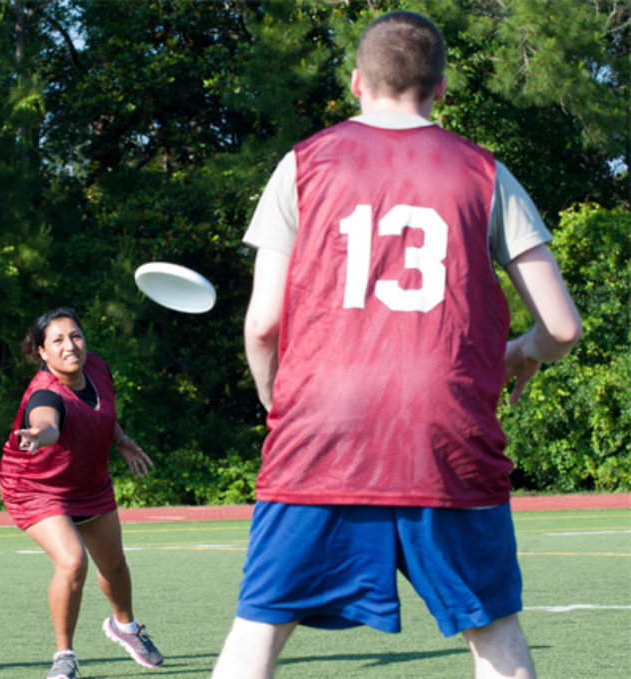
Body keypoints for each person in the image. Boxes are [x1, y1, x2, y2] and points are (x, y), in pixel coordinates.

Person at [212, 11, 581, 679]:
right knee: (495, 636)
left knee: (257, 633)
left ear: (356, 82)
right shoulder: (484, 173)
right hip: (445, 428)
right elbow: (562, 327)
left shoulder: (302, 165)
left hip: (322, 425)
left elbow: (262, 324)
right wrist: (524, 352)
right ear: (441, 87)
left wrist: (279, 402)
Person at [0, 307, 164, 679]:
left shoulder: (98, 368)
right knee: (73, 561)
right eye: (57, 341)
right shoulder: (45, 395)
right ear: (41, 352)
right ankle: (64, 656)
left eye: (75, 336)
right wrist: (40, 435)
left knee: (115, 565)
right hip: (35, 487)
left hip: (88, 483)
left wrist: (120, 439)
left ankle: (126, 627)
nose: (70, 346)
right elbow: (48, 422)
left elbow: (101, 410)